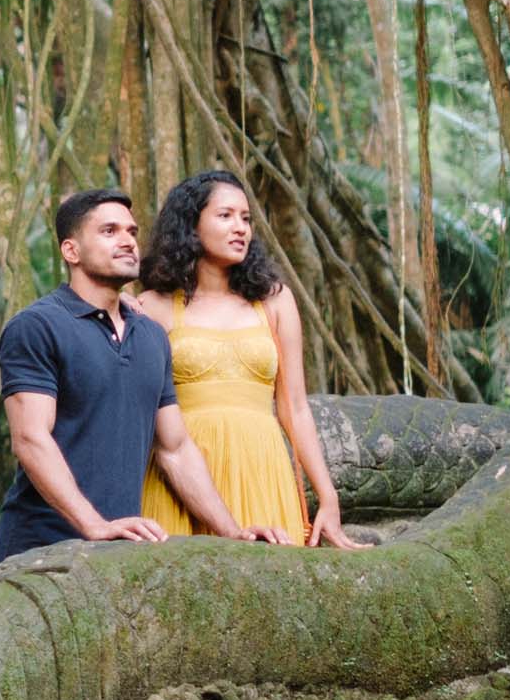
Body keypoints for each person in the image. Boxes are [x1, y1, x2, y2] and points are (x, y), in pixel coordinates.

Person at [0, 187, 289, 559]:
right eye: (109, 231)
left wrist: (233, 531)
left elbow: (175, 449)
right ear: (71, 251)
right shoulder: (37, 326)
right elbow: (31, 438)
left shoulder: (150, 335)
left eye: (131, 232)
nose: (127, 241)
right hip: (41, 548)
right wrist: (93, 525)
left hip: (120, 550)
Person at [130, 170, 364, 548]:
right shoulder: (152, 307)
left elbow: (296, 408)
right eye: (225, 216)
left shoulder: (273, 300)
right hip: (182, 476)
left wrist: (328, 496)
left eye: (246, 218)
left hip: (261, 466)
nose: (240, 227)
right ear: (191, 224)